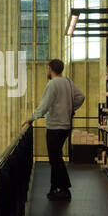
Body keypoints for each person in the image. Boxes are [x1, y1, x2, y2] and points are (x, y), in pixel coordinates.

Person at [22, 58, 85, 201]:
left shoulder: (52, 84)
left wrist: (32, 118)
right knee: (55, 158)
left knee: (55, 159)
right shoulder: (68, 82)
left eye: (47, 68)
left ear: (50, 68)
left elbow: (44, 105)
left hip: (54, 127)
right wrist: (70, 108)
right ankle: (54, 188)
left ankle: (64, 188)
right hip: (66, 126)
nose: (47, 71)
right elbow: (81, 97)